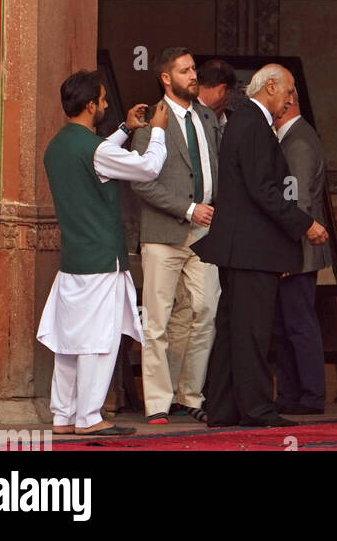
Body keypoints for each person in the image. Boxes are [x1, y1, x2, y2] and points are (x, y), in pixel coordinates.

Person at [37, 69, 169, 437]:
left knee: (68, 341)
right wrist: (156, 131)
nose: (107, 105)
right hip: (100, 261)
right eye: (104, 100)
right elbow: (147, 168)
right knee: (98, 339)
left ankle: (63, 416)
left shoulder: (58, 145)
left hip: (73, 261)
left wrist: (125, 130)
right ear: (90, 105)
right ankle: (89, 417)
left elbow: (97, 156)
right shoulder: (92, 150)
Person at [196, 64, 328, 427]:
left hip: (242, 248)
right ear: (270, 86)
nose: (290, 100)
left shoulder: (245, 121)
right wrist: (305, 225)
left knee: (232, 331)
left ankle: (223, 410)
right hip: (251, 249)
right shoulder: (253, 123)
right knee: (251, 331)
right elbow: (263, 189)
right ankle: (257, 410)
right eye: (288, 93)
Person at [131, 47, 221, 425]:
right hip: (163, 233)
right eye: (184, 71)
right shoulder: (154, 119)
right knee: (158, 320)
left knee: (204, 311)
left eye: (194, 69)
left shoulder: (207, 116)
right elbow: (141, 181)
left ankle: (189, 393)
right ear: (166, 78)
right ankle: (157, 402)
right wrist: (187, 208)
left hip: (205, 232)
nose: (193, 75)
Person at [273, 71, 332, 416]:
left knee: (298, 324)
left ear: (289, 99)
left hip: (296, 251)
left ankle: (309, 397)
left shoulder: (296, 142)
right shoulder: (291, 137)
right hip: (293, 250)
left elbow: (298, 204)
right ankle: (291, 396)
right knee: (286, 325)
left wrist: (286, 253)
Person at [197, 59, 236, 147]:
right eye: (229, 93)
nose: (228, 100)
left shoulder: (233, 119)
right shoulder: (186, 115)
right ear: (222, 90)